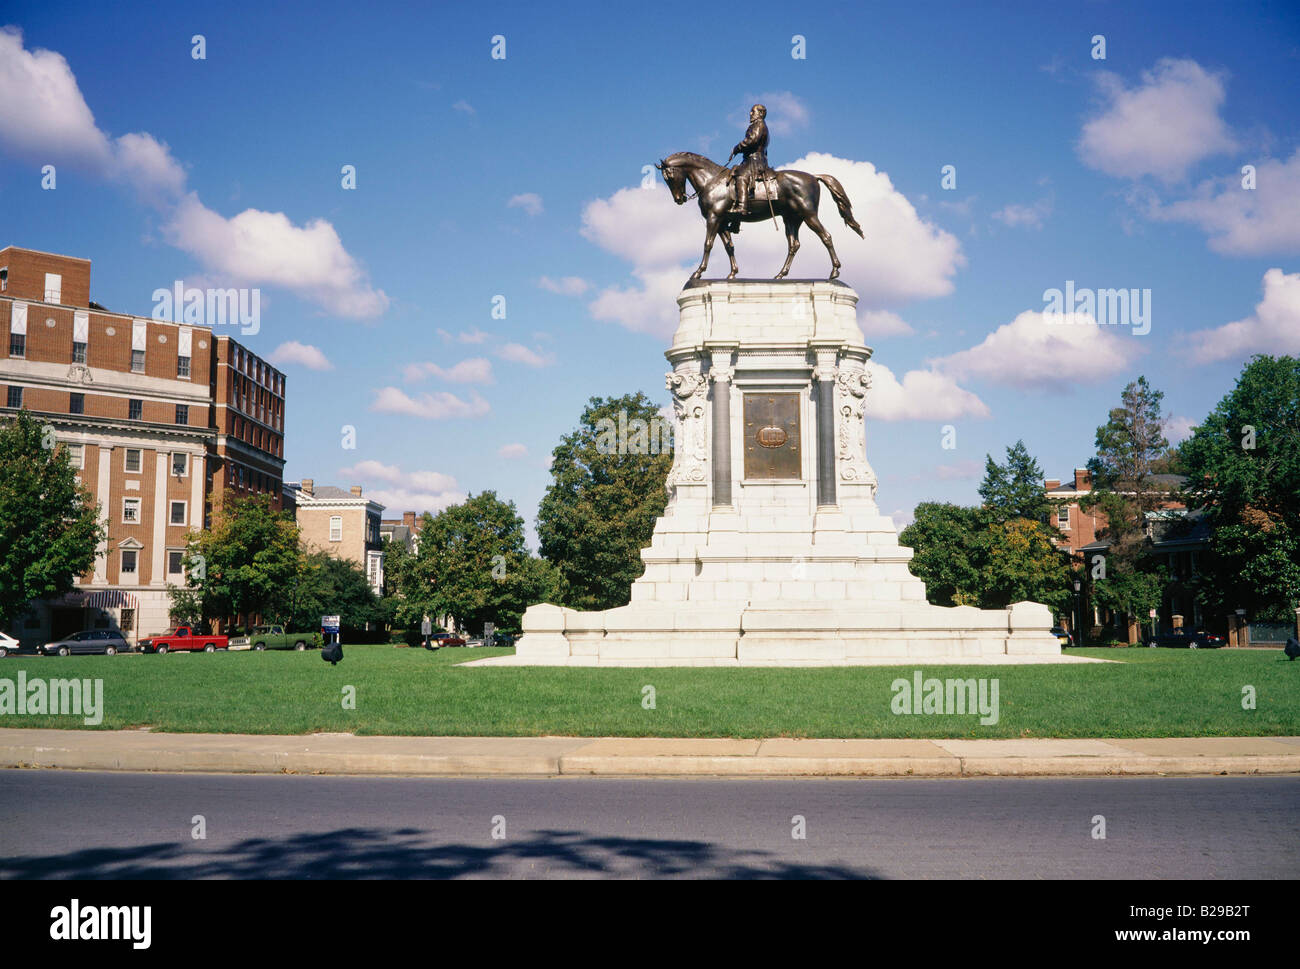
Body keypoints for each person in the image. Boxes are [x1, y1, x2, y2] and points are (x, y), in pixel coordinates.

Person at [730, 103, 771, 217]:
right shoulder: (758, 125)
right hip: (752, 159)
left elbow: (752, 140)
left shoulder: (759, 124)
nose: (750, 113)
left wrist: (737, 148)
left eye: (753, 111)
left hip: (755, 160)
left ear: (761, 113)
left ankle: (742, 206)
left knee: (741, 176)